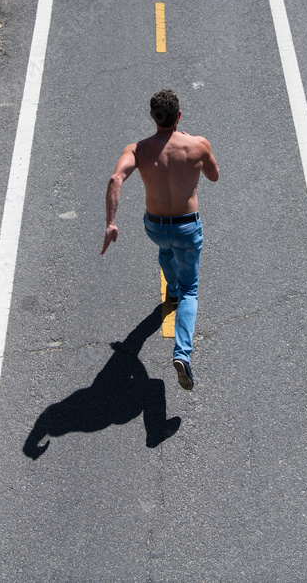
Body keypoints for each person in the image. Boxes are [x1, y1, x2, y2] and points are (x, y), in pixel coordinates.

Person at [101, 90, 219, 390]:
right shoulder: (198, 145)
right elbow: (214, 176)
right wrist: (197, 152)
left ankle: (172, 291)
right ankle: (182, 353)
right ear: (179, 116)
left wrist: (111, 223)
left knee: (165, 251)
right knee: (191, 290)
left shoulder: (137, 149)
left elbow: (116, 179)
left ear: (152, 116)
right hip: (187, 228)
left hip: (155, 226)